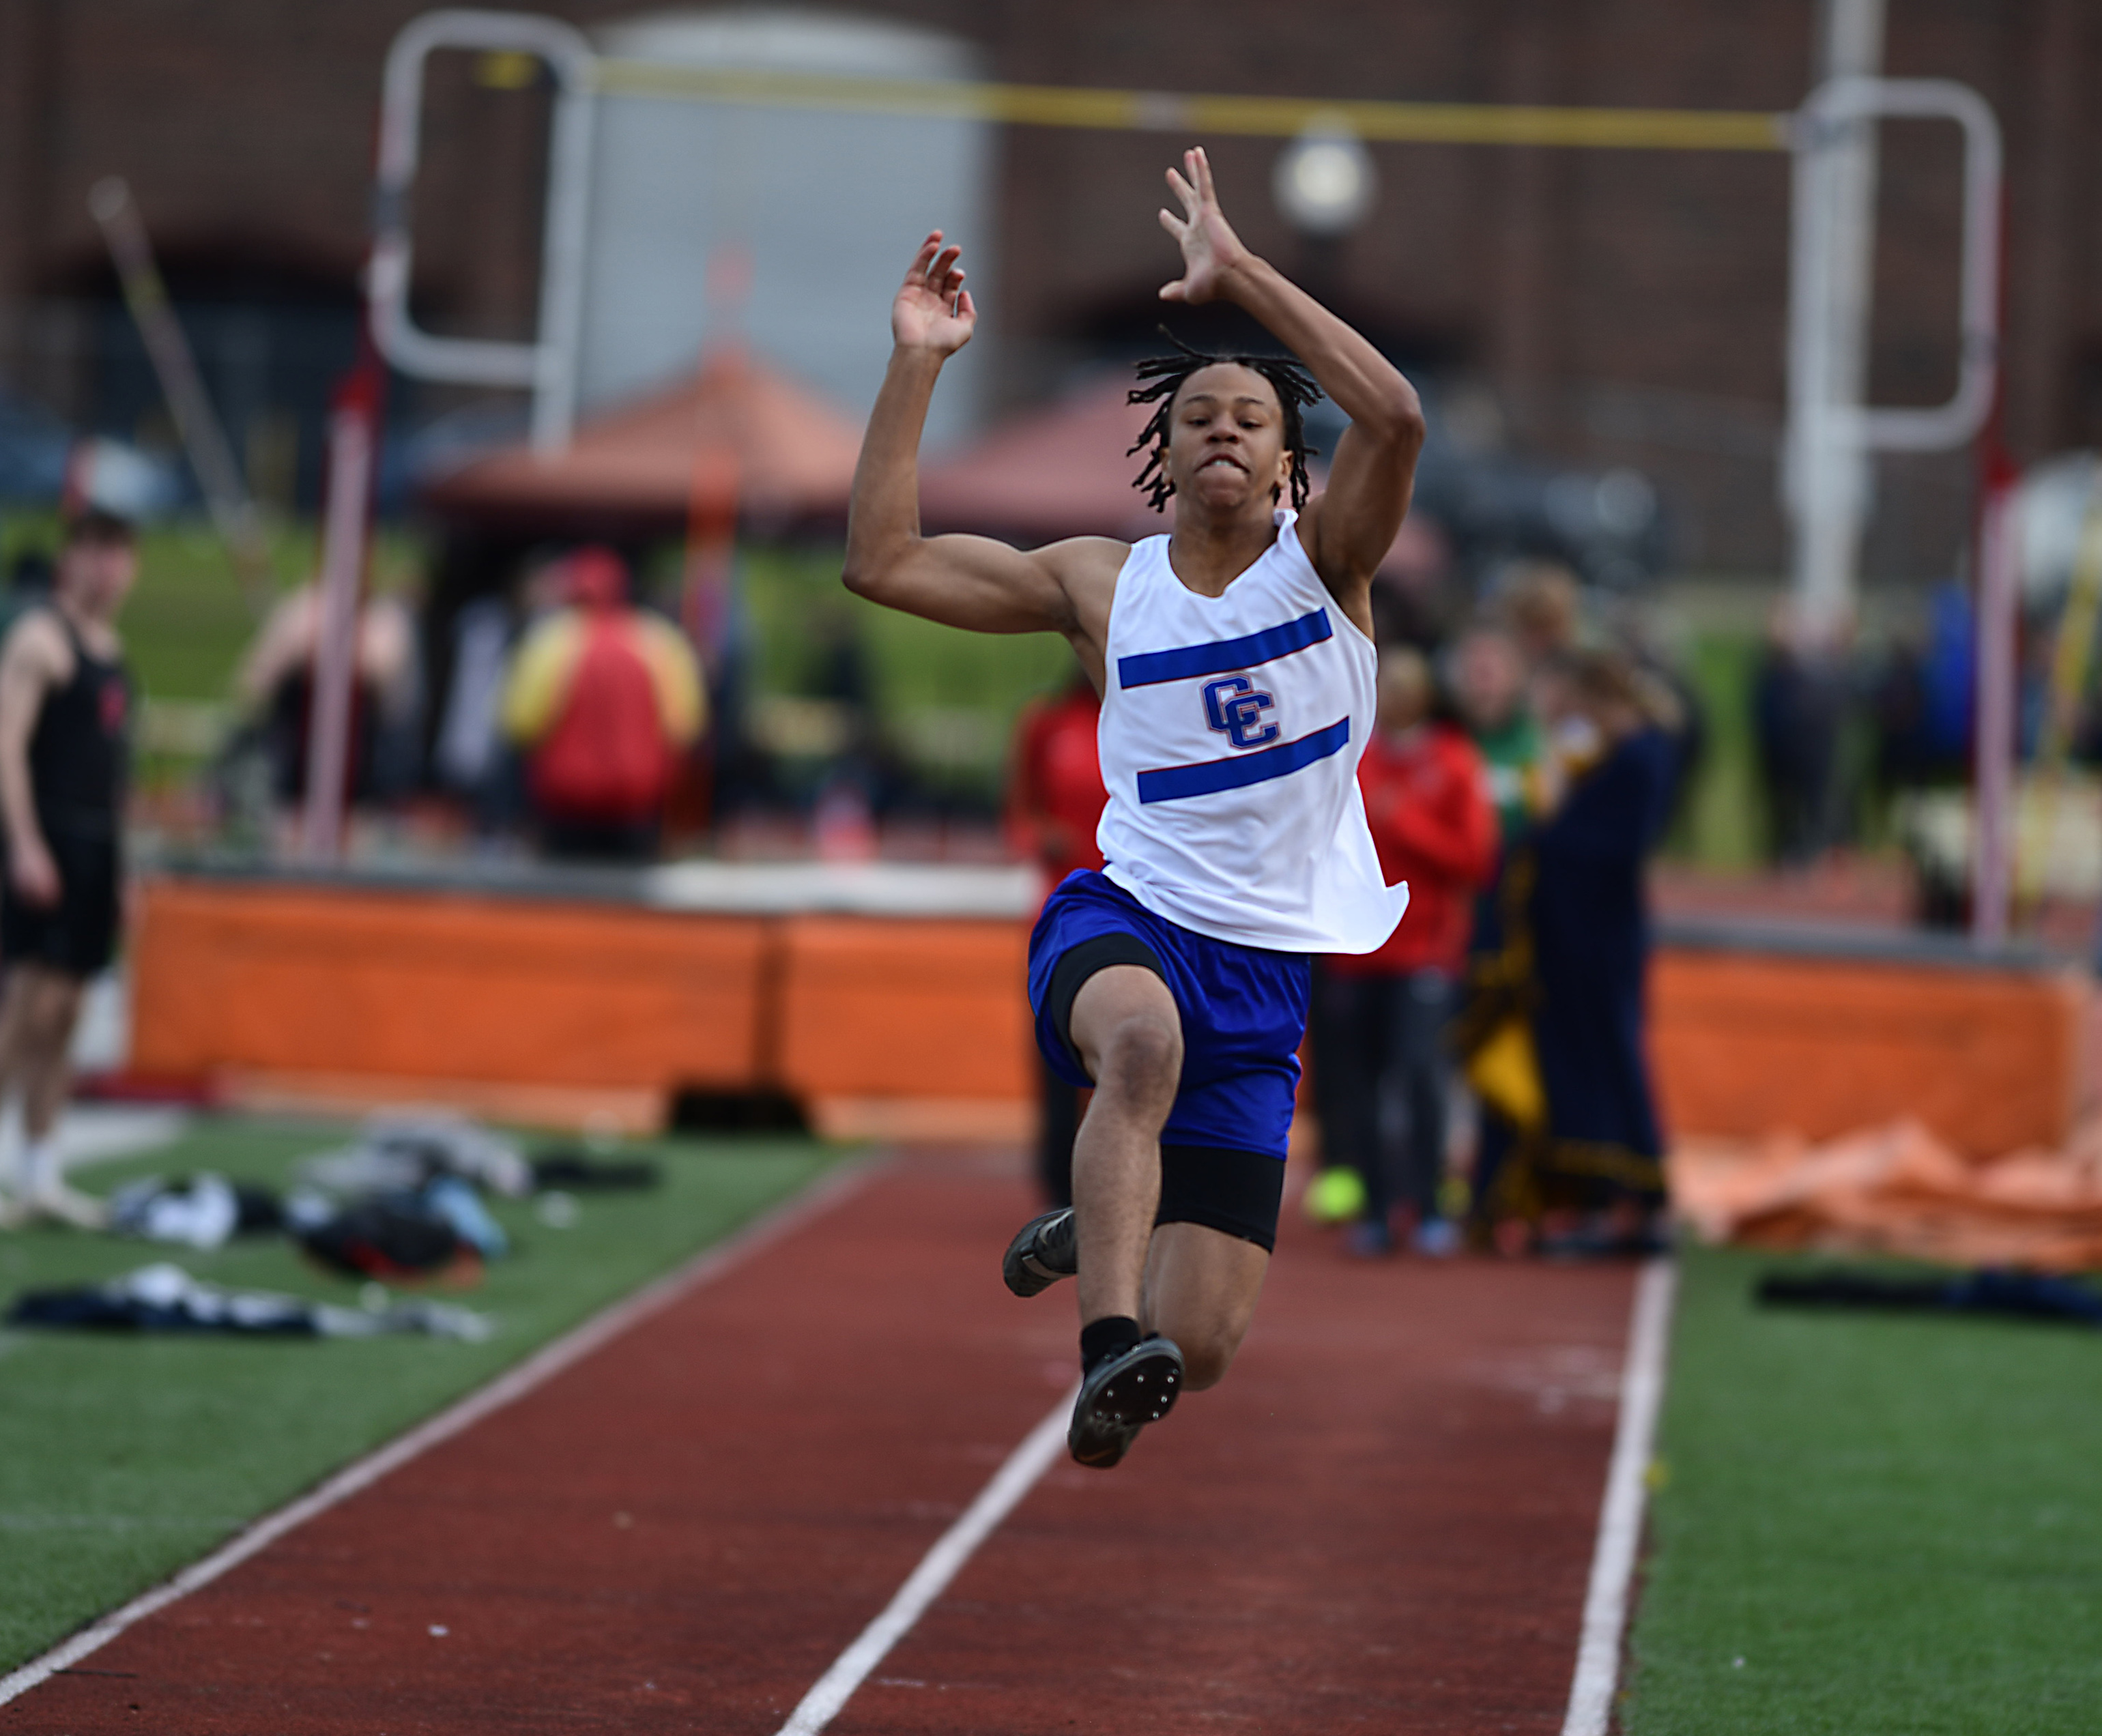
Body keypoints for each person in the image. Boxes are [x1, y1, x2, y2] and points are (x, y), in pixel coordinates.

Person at [844, 148, 1422, 1467]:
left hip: (1268, 975)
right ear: (1160, 447)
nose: (1223, 424)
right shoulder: (1103, 585)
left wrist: (1242, 277)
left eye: (1253, 416)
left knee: (1205, 1342)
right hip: (1130, 918)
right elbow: (880, 561)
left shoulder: (1330, 571)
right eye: (1198, 411)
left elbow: (1396, 419)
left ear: (1290, 468)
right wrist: (920, 360)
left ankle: (1106, 1227)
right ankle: (1105, 1342)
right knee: (1141, 1054)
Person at [1310, 646, 1496, 1257]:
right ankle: (1377, 1205)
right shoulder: (1353, 758)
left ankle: (1429, 1202)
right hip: (1356, 951)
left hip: (1424, 951)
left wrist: (1406, 823)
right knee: (1357, 1082)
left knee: (1420, 1076)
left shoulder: (1453, 761)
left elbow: (1474, 859)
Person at [0, 509, 137, 1227]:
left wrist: (124, 871)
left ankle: (41, 1172)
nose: (106, 569)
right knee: (26, 1010)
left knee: (70, 1015)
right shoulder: (41, 641)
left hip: (95, 846)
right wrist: (24, 844)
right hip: (46, 835)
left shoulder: (112, 651)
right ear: (72, 560)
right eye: (95, 553)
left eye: (118, 556)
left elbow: (115, 774)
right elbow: (7, 746)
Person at [500, 547, 705, 862]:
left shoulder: (550, 640)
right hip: (638, 806)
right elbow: (686, 728)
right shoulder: (660, 640)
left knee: (563, 898)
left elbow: (520, 723)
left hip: (563, 805)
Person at [1006, 668, 1109, 1208]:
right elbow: (1020, 811)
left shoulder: (1145, 716)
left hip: (1135, 908)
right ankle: (1056, 1180)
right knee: (1057, 1047)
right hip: (1061, 906)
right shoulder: (1046, 724)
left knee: (1127, 1048)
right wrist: (1039, 835)